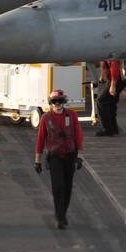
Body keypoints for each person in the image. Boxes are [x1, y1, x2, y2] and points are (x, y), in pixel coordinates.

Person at [35, 89, 83, 229]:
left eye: (60, 101)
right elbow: (40, 139)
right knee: (58, 187)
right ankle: (59, 216)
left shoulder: (72, 116)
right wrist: (37, 160)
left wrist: (79, 156)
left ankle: (63, 213)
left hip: (70, 155)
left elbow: (78, 136)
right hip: (55, 157)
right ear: (51, 103)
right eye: (54, 101)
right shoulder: (46, 118)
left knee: (67, 187)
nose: (57, 104)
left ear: (64, 102)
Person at [95, 59, 122, 136]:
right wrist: (102, 75)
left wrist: (113, 86)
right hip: (115, 80)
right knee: (111, 103)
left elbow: (114, 67)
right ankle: (113, 128)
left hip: (116, 80)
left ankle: (107, 129)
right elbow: (104, 64)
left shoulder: (110, 53)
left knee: (101, 101)